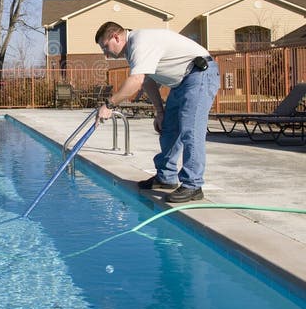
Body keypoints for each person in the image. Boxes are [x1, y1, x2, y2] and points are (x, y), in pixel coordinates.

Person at [94, 22, 220, 202]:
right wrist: (160, 112)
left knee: (190, 130)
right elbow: (147, 82)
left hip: (200, 75)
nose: (106, 54)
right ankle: (166, 177)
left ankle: (193, 185)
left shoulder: (139, 41)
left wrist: (109, 104)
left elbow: (136, 81)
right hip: (181, 82)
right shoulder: (132, 51)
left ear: (116, 37)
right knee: (168, 128)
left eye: (106, 47)